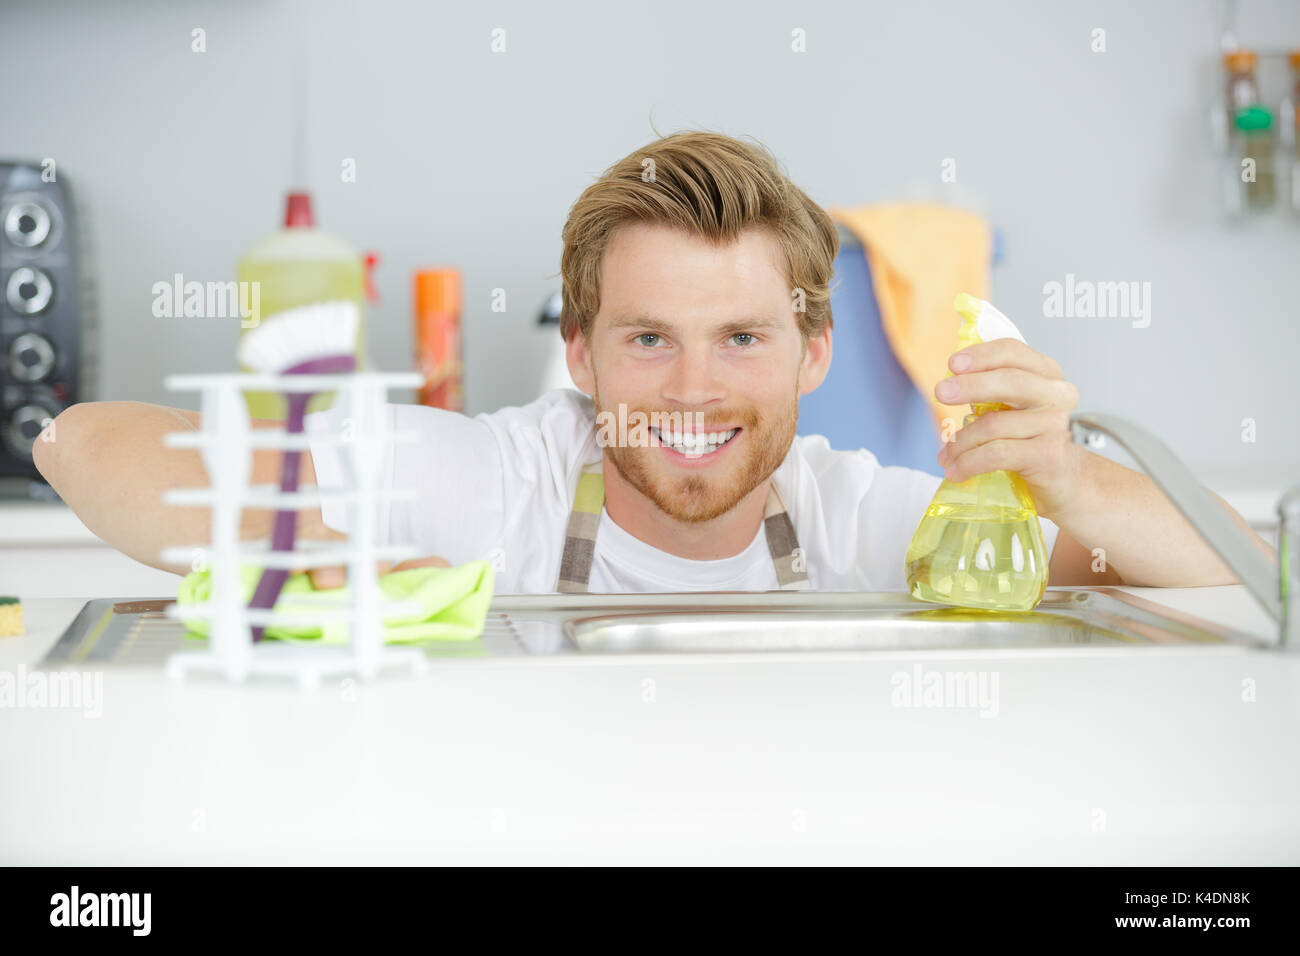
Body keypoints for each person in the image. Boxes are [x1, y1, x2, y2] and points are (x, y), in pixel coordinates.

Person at [34, 131, 1273, 594]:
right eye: (645, 339)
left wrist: (1066, 476)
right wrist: (302, 554)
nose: (690, 389)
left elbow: (1247, 572)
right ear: (576, 352)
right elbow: (79, 441)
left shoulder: (857, 521)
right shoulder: (490, 486)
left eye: (740, 337)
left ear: (813, 352)